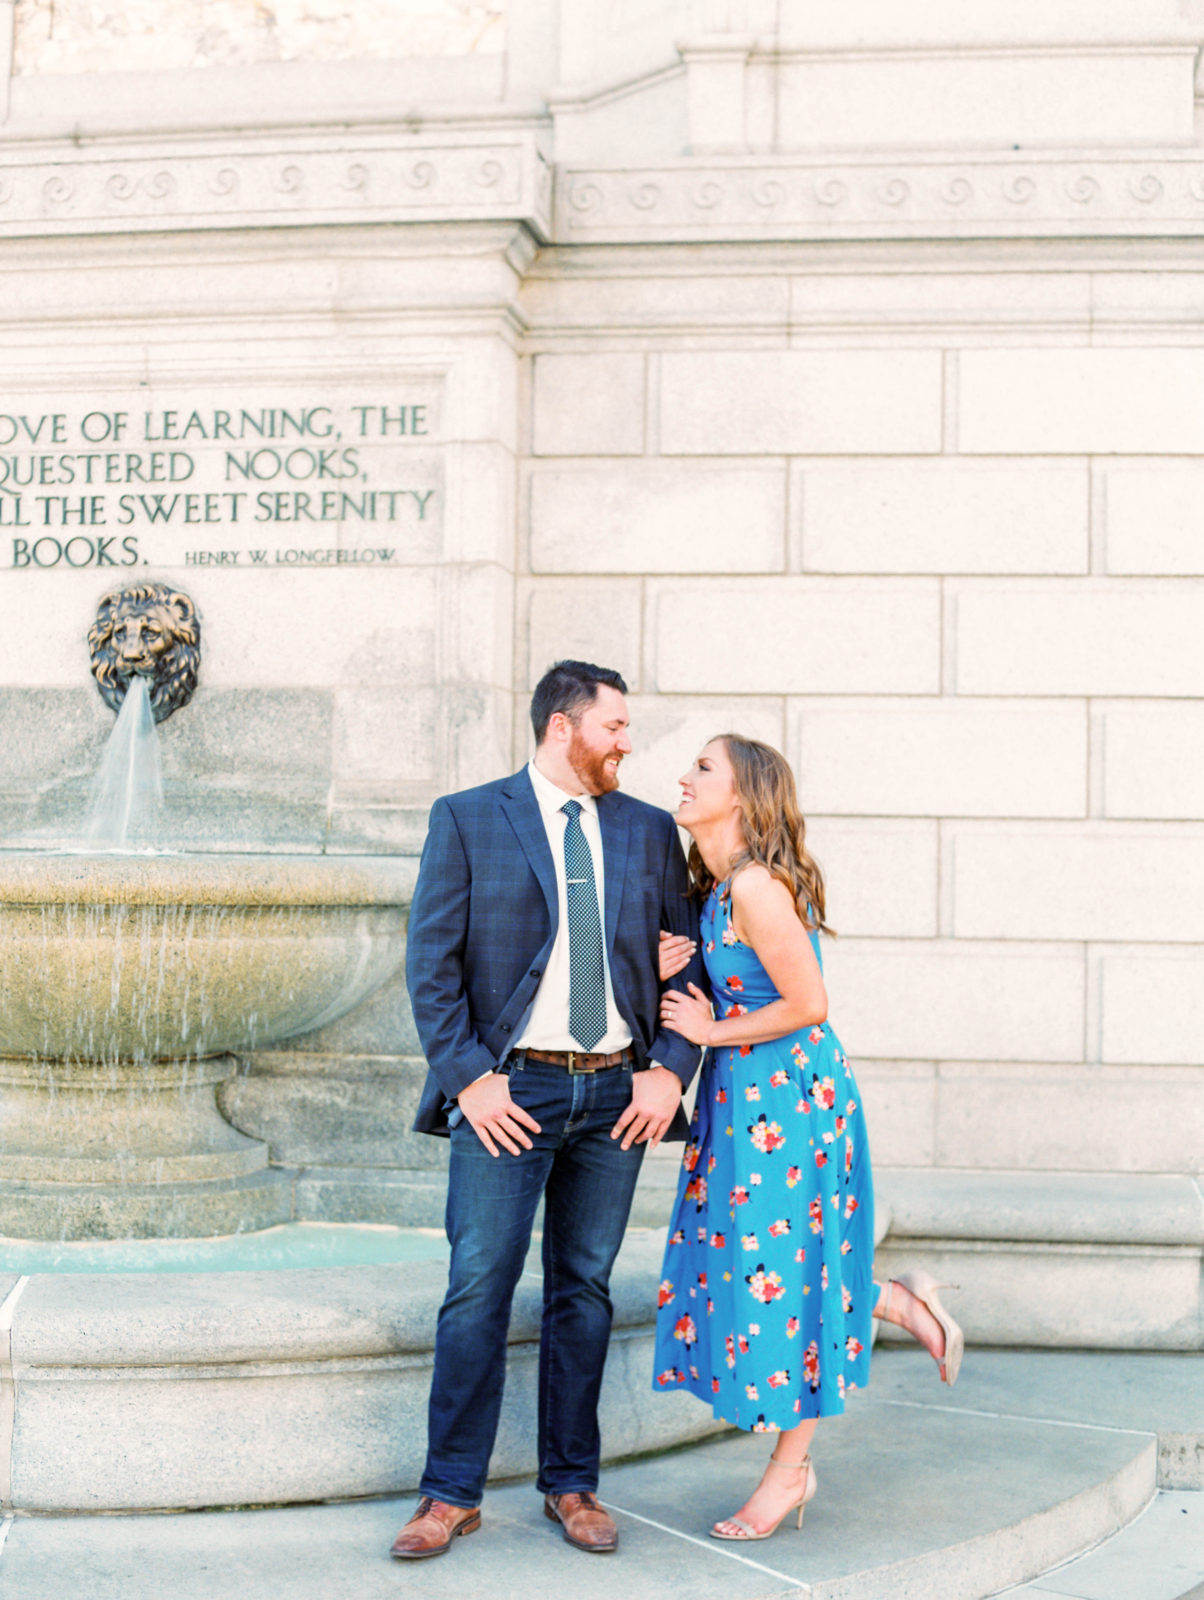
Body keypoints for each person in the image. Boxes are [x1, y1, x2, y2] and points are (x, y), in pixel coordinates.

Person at [391, 660, 705, 1561]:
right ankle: (448, 1494)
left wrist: (670, 1069)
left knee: (586, 1290)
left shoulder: (648, 831)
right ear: (562, 727)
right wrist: (469, 1080)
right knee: (477, 1287)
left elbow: (688, 966)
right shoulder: (468, 817)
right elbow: (431, 966)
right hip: (509, 1094)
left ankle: (573, 1485)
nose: (627, 743)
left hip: (618, 1096)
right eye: (614, 727)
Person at [653, 734, 964, 1542]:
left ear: (745, 796)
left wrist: (711, 1031)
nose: (684, 779)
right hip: (748, 1104)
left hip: (788, 1105)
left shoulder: (754, 886)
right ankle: (897, 1301)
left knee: (782, 1276)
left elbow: (809, 1002)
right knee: (768, 1271)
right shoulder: (718, 890)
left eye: (704, 769)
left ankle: (789, 1474)